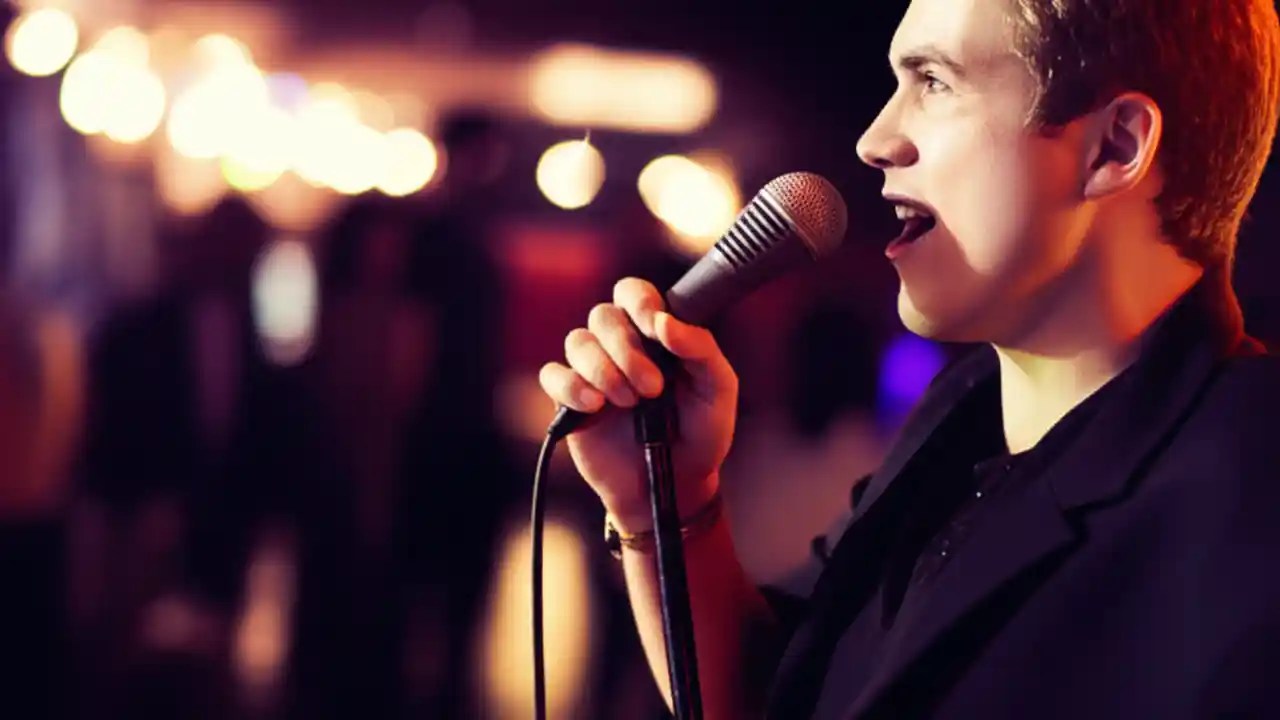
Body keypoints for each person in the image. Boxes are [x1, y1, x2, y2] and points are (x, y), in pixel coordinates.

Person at [536, 0, 1280, 717]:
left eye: (934, 81)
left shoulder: (1248, 502)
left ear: (1114, 146)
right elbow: (778, 694)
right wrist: (665, 497)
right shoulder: (956, 419)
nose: (875, 137)